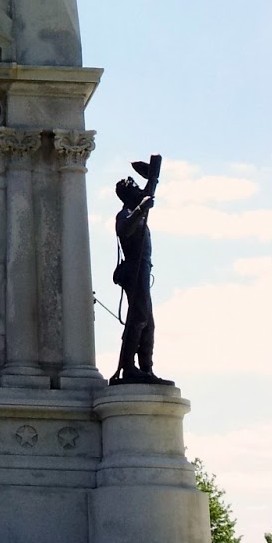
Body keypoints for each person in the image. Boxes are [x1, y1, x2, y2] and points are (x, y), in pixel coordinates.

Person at [109, 156, 173, 386]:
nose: (139, 190)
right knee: (138, 318)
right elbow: (125, 230)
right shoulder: (125, 214)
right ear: (128, 195)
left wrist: (153, 170)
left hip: (143, 269)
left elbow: (150, 188)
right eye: (135, 188)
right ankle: (128, 367)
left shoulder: (138, 207)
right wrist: (141, 209)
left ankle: (146, 368)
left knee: (147, 321)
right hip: (133, 269)